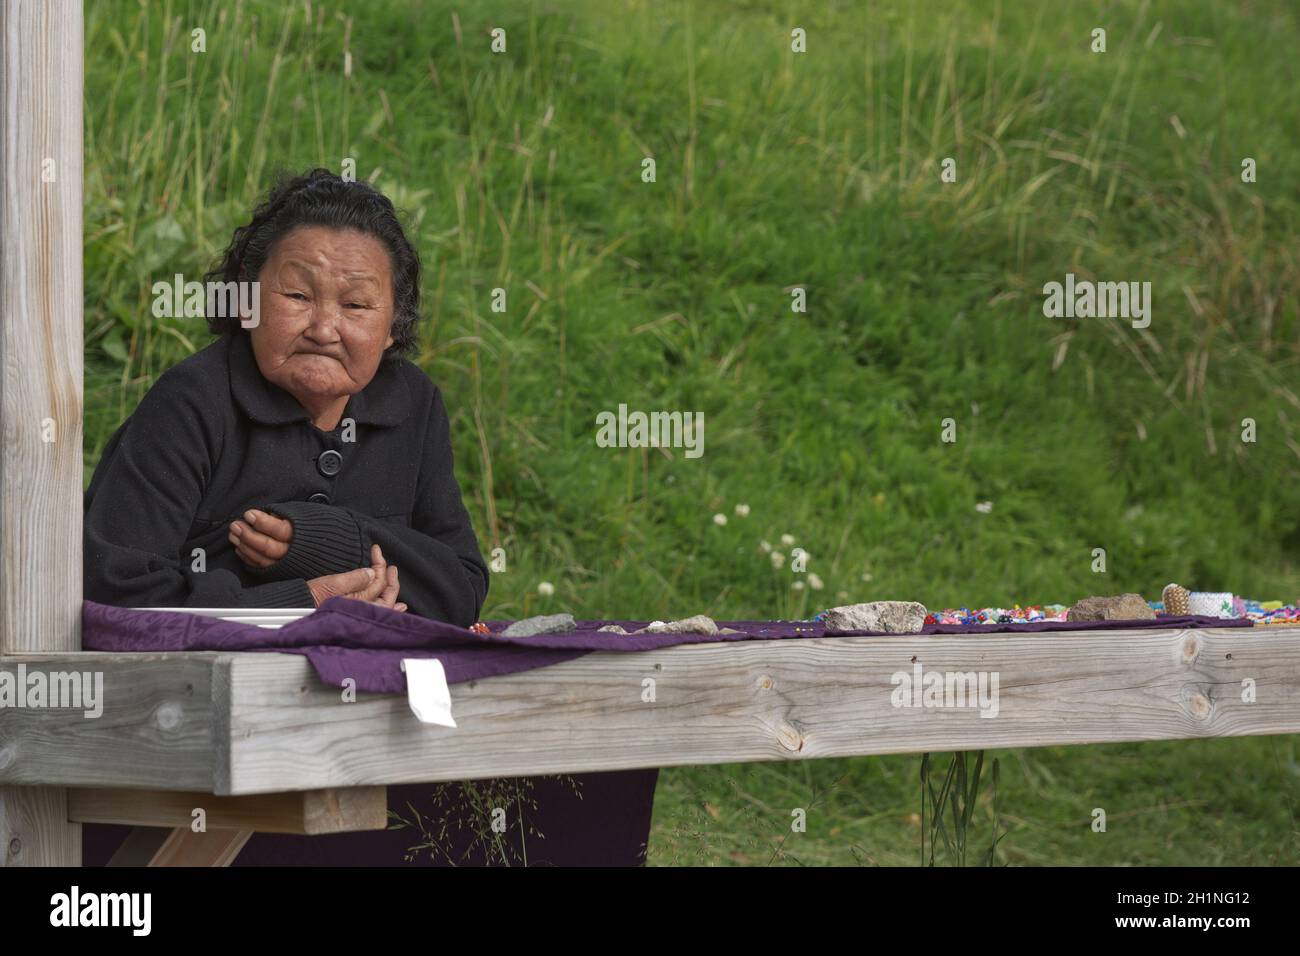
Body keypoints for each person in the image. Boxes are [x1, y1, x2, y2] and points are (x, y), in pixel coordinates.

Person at [84, 168, 488, 625]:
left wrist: (332, 541)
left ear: (394, 324)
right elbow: (116, 592)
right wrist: (304, 602)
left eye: (355, 305)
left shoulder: (412, 403)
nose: (323, 329)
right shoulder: (192, 402)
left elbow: (462, 588)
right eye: (297, 294)